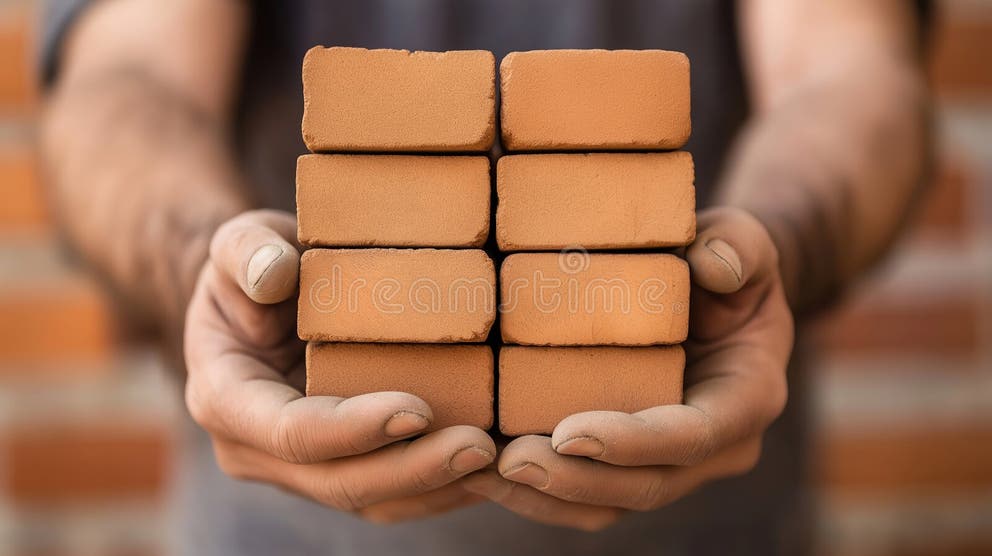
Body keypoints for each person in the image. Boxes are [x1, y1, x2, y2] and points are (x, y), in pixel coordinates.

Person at [39, 1, 932, 554]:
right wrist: (208, 261)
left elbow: (846, 69)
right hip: (282, 538)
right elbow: (129, 79)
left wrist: (770, 246)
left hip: (721, 533)